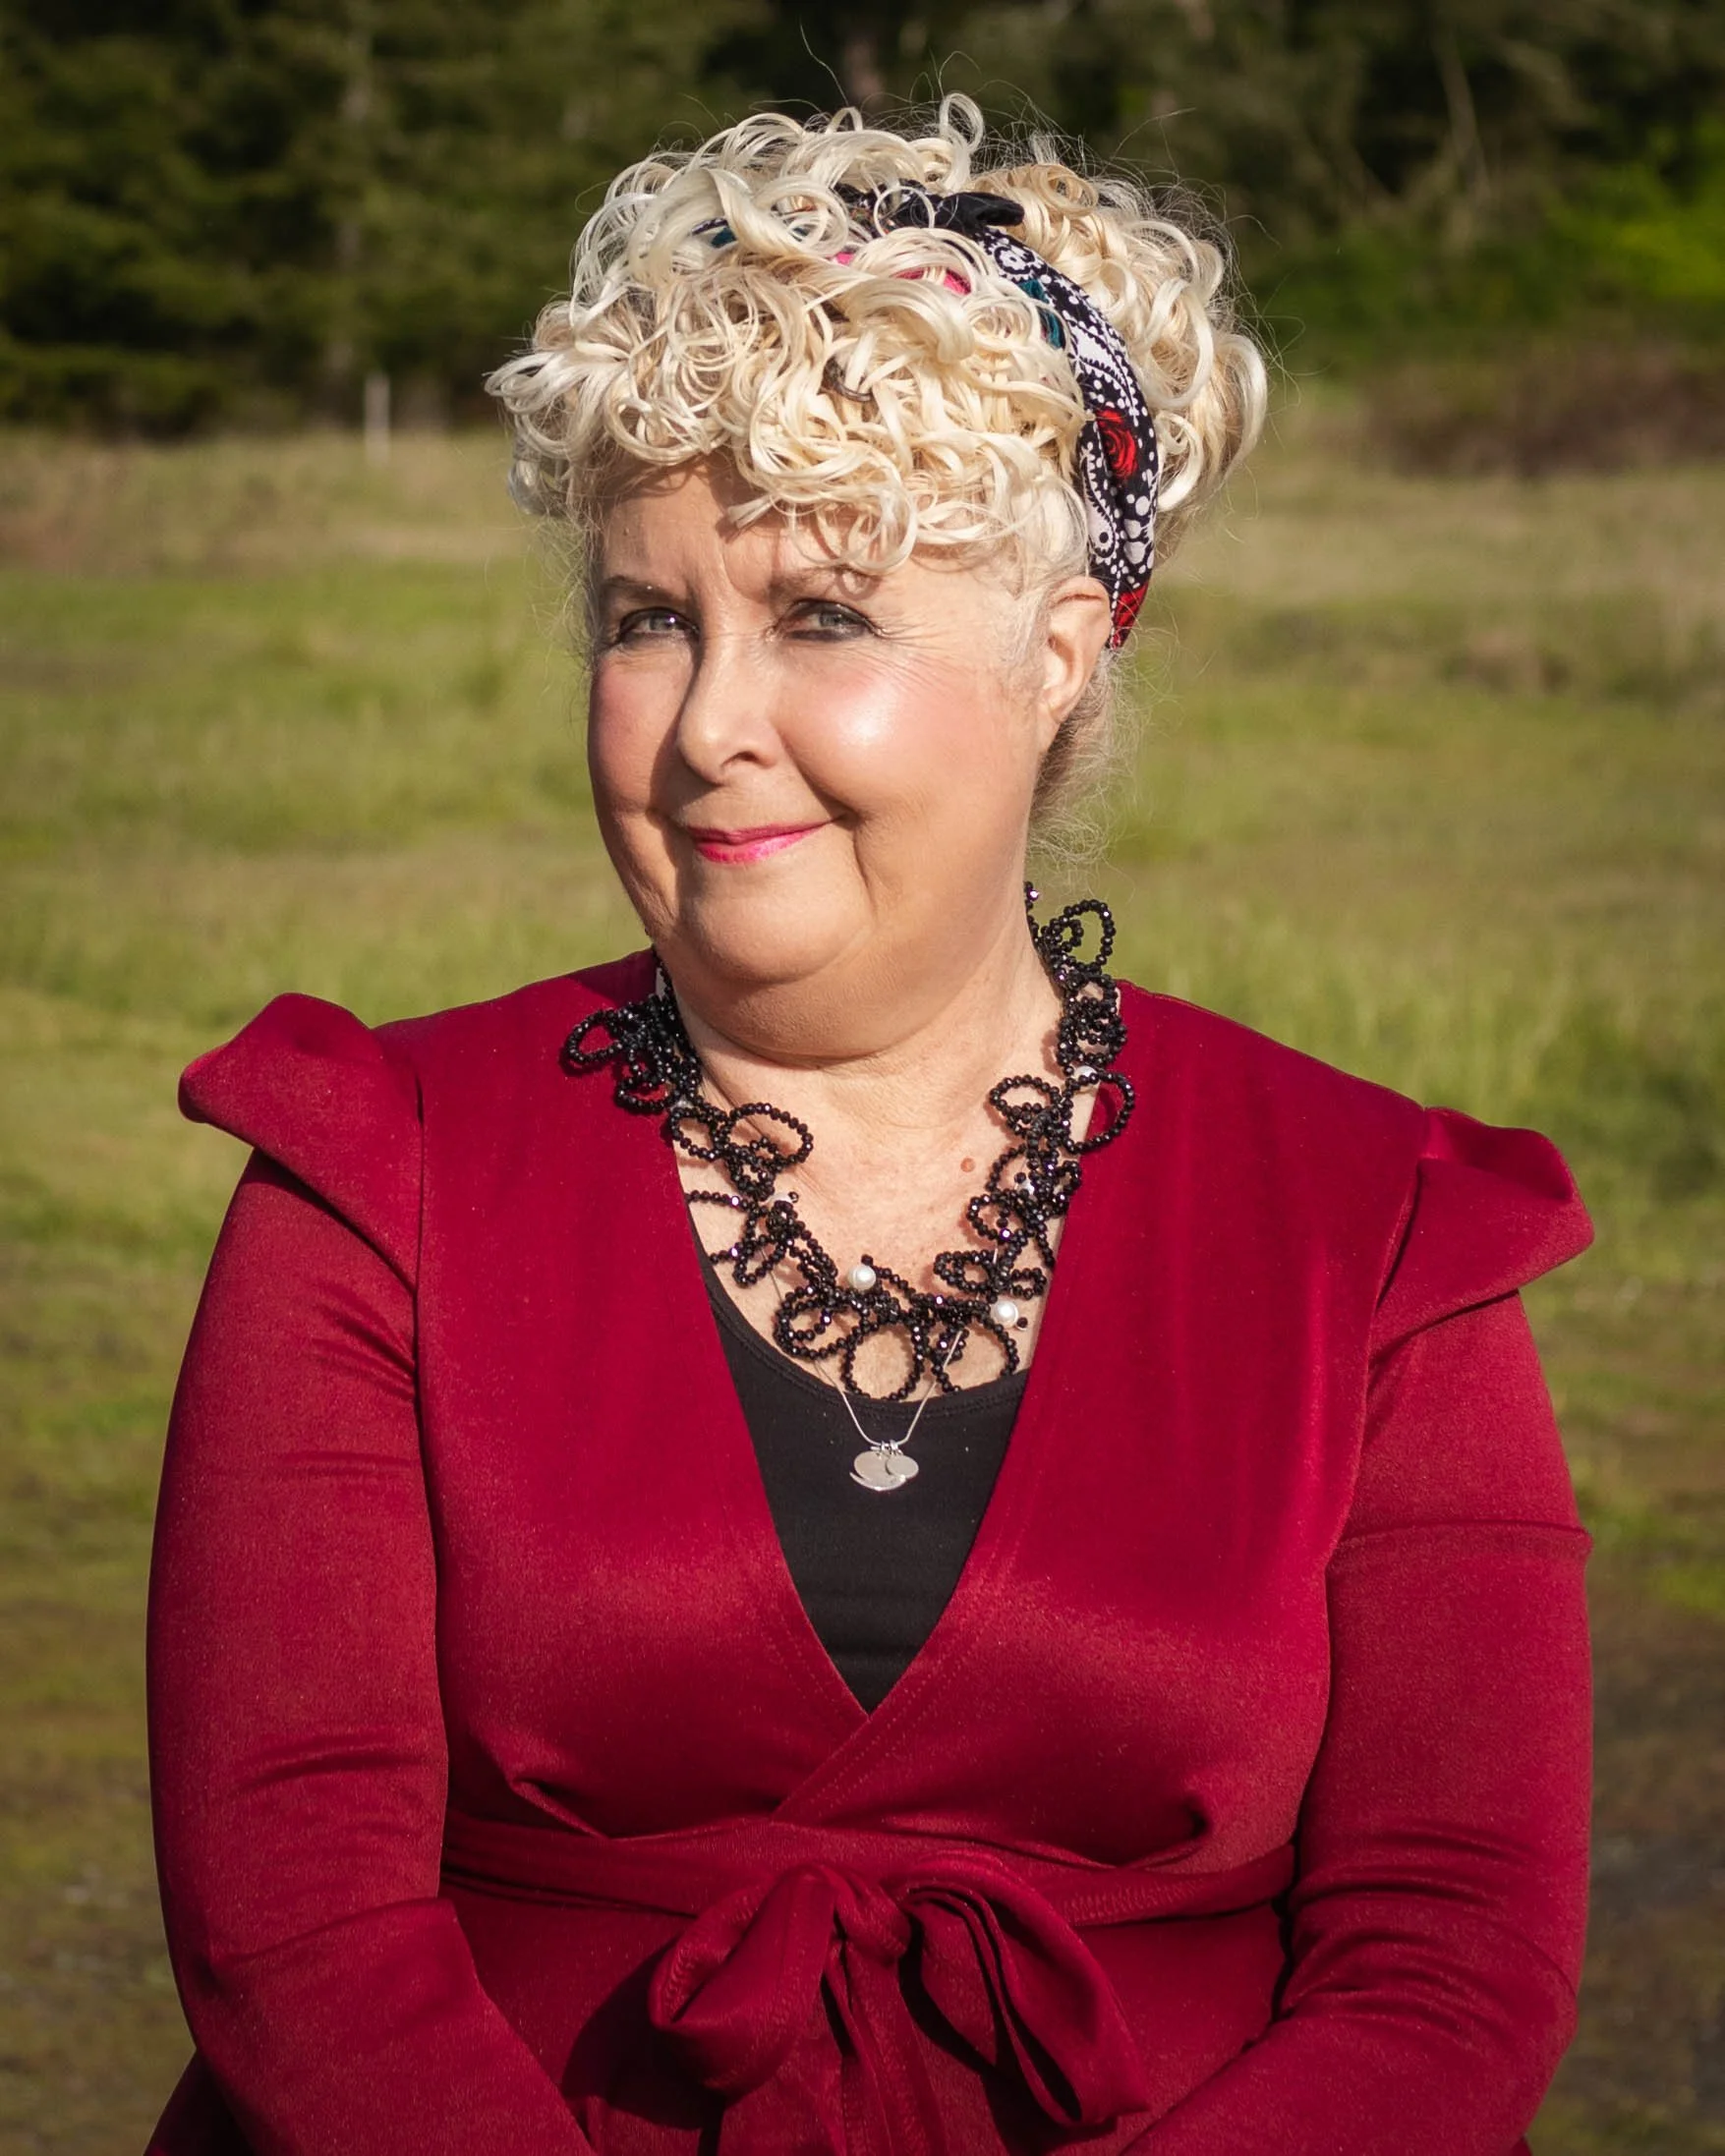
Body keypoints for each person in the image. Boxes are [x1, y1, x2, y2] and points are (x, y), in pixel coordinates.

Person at [144, 98, 1593, 2156]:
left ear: (1057, 654)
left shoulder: (1375, 1228)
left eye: (820, 614)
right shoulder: (378, 1173)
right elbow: (293, 1925)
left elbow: (1450, 1962)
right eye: (647, 618)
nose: (704, 722)